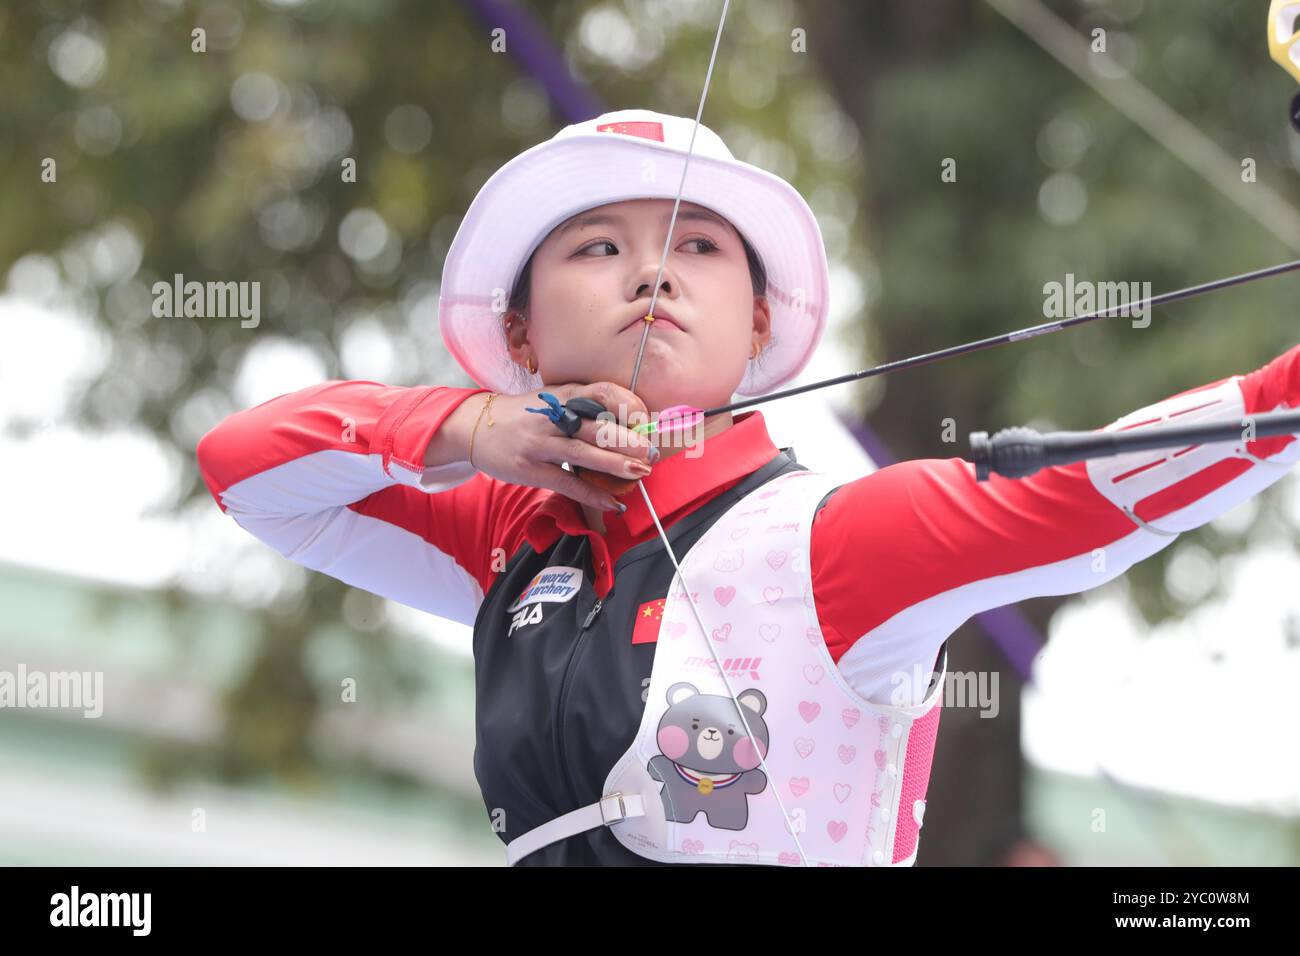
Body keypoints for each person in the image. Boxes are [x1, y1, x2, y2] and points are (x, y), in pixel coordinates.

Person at [196, 108, 1300, 866]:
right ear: (520, 334)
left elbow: (1099, 487)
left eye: (699, 247)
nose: (651, 270)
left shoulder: (824, 541)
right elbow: (249, 468)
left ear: (760, 318)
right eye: (594, 246)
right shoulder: (509, 533)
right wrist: (464, 426)